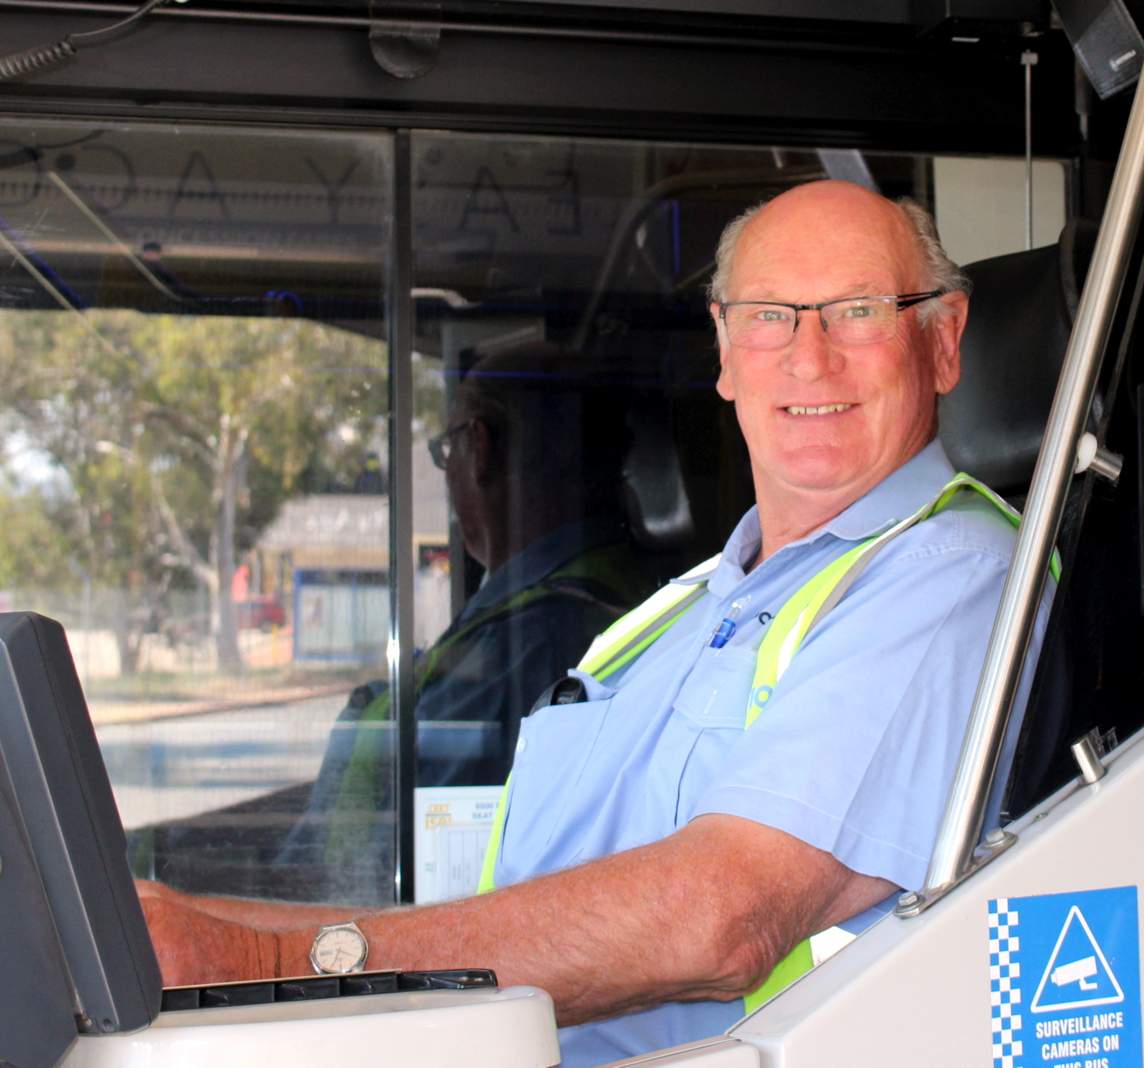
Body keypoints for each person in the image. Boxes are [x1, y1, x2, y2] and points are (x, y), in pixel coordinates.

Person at [138, 179, 1051, 1066]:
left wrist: (264, 965)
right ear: (726, 352)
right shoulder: (688, 608)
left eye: (858, 310)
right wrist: (188, 930)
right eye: (772, 315)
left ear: (941, 340)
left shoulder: (949, 576)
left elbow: (725, 918)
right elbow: (515, 913)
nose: (810, 357)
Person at [274, 353, 651, 902]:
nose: (445, 468)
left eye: (446, 448)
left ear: (479, 449)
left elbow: (389, 877)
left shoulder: (532, 640)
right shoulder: (623, 593)